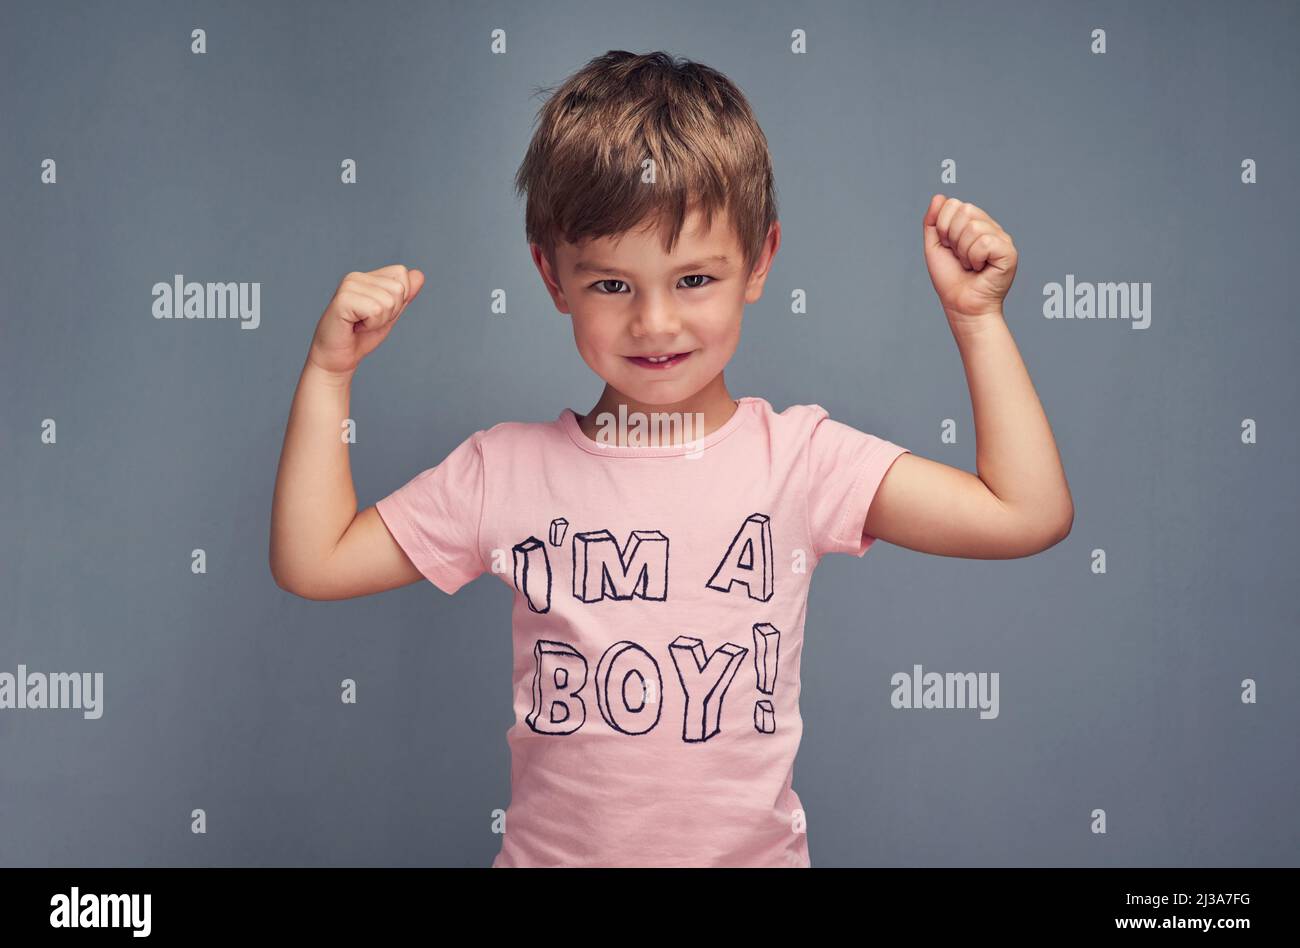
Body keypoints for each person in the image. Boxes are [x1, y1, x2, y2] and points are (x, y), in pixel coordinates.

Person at [269, 50, 1073, 867]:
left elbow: (1026, 512)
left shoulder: (802, 461)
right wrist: (330, 374)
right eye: (613, 286)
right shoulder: (503, 471)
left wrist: (978, 321)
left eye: (693, 278)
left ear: (760, 262)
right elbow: (315, 558)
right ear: (551, 275)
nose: (655, 324)